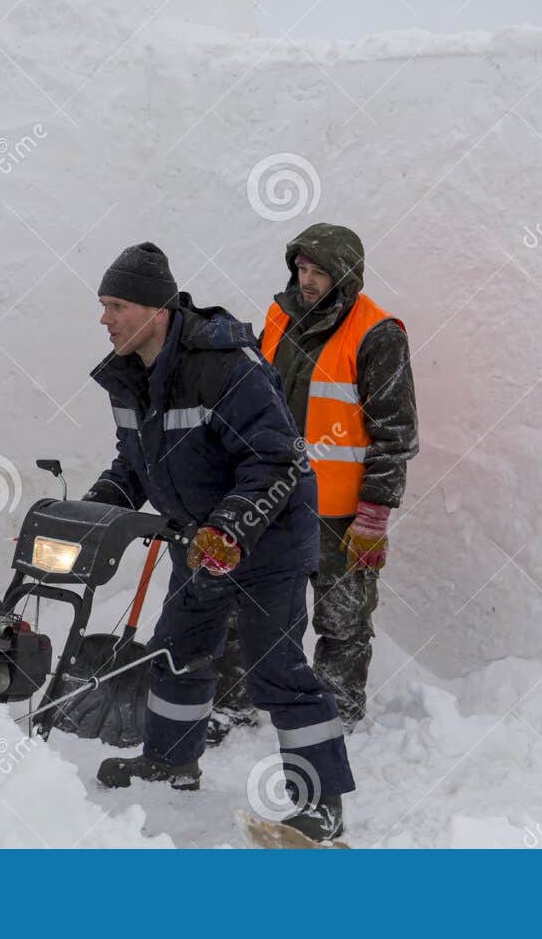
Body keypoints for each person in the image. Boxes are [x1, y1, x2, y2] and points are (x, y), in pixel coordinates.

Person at [83, 242, 354, 842]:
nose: (105, 318)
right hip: (200, 536)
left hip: (268, 536)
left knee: (275, 669)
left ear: (156, 310)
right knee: (176, 650)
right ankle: (171, 760)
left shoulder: (224, 364)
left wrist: (229, 528)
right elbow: (136, 465)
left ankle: (321, 804)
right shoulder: (130, 375)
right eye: (102, 305)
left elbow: (277, 460)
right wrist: (97, 508)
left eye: (116, 305)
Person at [211, 223, 417, 737]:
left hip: (340, 512)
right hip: (271, 499)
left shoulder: (378, 333)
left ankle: (335, 719)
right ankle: (234, 706)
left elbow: (396, 433)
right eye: (301, 269)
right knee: (245, 604)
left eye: (319, 272)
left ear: (344, 277)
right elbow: (253, 396)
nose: (306, 280)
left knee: (342, 621)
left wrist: (374, 516)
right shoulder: (280, 315)